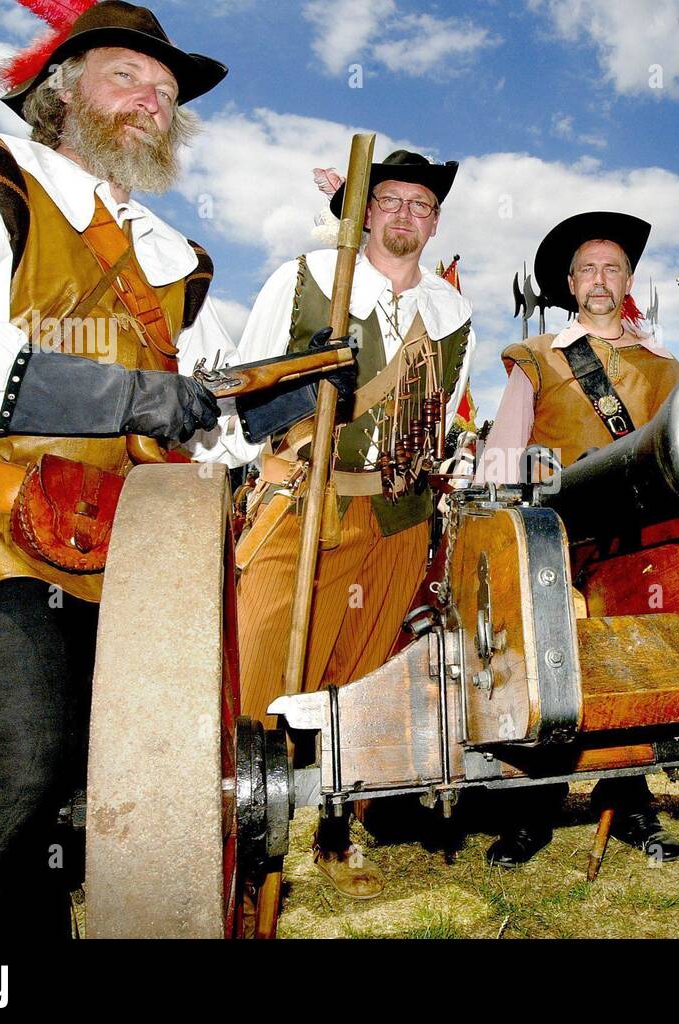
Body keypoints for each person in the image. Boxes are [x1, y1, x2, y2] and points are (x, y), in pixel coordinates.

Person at [0, 1, 246, 938]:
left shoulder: (172, 261)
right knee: (21, 774)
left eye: (167, 93)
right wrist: (120, 396)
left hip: (137, 556)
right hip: (6, 537)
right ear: (58, 89)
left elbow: (205, 413)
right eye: (127, 77)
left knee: (102, 788)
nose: (153, 102)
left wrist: (267, 407)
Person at [235, 150, 474, 898]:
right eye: (392, 201)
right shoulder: (303, 280)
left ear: (434, 224)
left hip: (398, 517)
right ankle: (246, 833)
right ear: (364, 211)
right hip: (307, 501)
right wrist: (307, 396)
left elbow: (441, 420)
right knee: (261, 664)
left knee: (363, 678)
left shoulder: (452, 310)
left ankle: (338, 827)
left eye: (422, 207)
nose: (406, 216)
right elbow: (244, 399)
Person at [476, 211, 679, 868]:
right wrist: (491, 519)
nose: (601, 279)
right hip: (553, 532)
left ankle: (628, 802)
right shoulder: (537, 358)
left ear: (628, 281)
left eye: (613, 268)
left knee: (637, 665)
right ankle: (531, 812)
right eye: (589, 268)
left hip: (636, 535)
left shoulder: (662, 365)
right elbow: (505, 450)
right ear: (571, 283)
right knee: (550, 666)